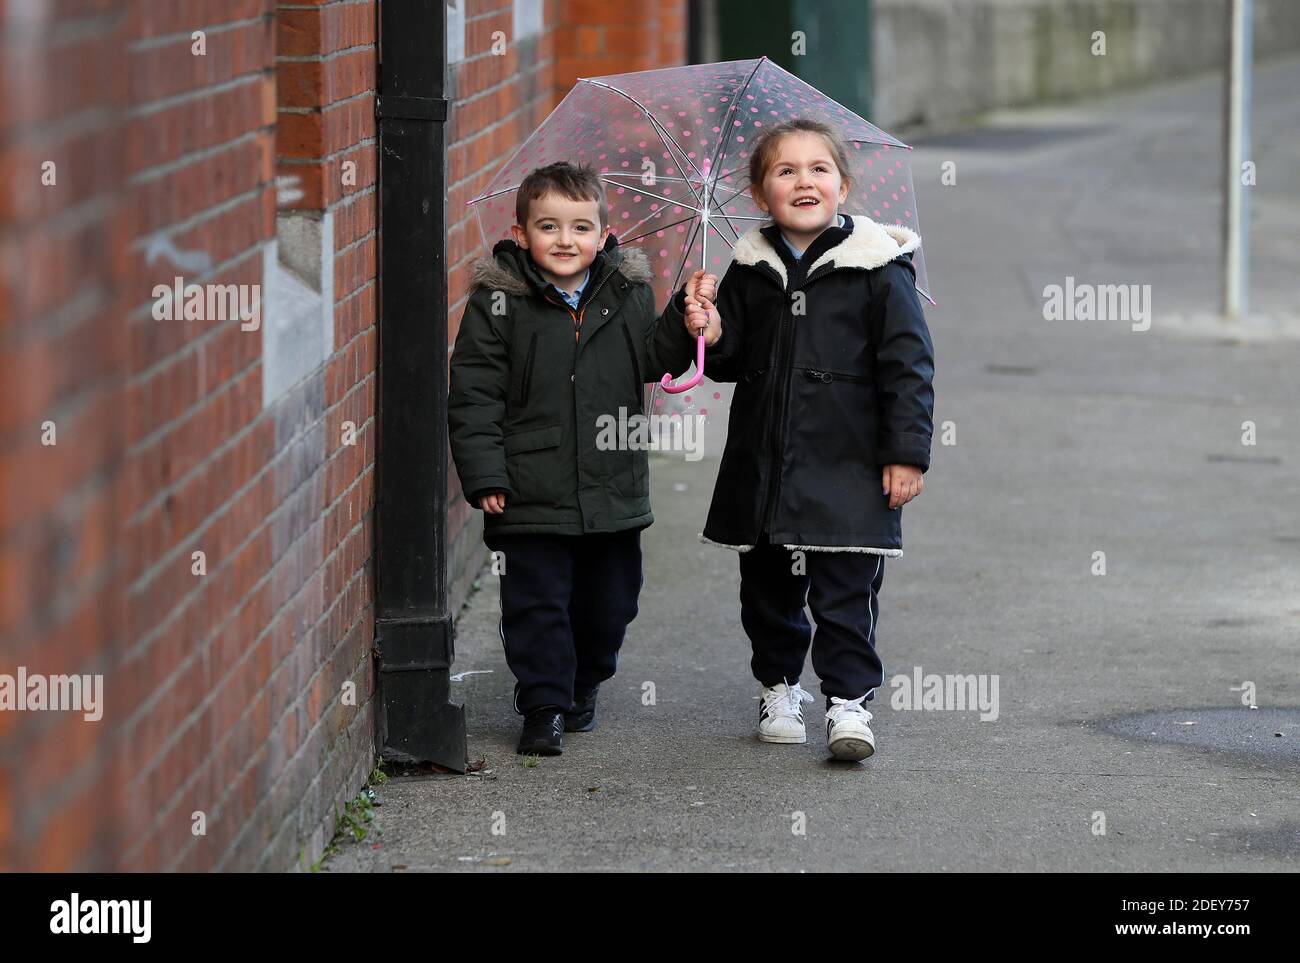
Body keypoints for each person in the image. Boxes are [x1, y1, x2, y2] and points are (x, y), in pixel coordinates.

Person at [448, 161, 721, 755]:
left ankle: (584, 680)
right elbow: (474, 394)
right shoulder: (499, 302)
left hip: (611, 482)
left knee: (610, 605)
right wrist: (486, 472)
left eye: (580, 227)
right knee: (536, 603)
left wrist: (685, 318)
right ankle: (543, 704)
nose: (565, 240)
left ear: (604, 234)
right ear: (521, 234)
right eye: (548, 226)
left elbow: (652, 360)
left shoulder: (627, 291)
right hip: (529, 486)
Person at [690, 119, 935, 761]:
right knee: (768, 589)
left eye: (818, 169)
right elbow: (728, 363)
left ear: (843, 185)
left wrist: (905, 453)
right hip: (766, 465)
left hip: (849, 462)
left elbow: (908, 366)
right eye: (786, 171)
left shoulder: (879, 268)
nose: (804, 181)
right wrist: (711, 331)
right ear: (760, 193)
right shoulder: (749, 268)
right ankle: (779, 687)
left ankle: (848, 701)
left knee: (846, 590)